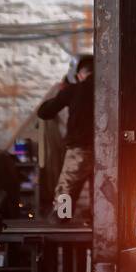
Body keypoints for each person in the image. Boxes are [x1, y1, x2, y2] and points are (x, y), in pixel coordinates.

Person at [36, 54, 94, 221]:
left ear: (79, 74)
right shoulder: (109, 89)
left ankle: (62, 217)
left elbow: (44, 112)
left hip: (80, 150)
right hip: (107, 151)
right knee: (101, 189)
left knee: (67, 188)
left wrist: (65, 92)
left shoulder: (74, 89)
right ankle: (98, 220)